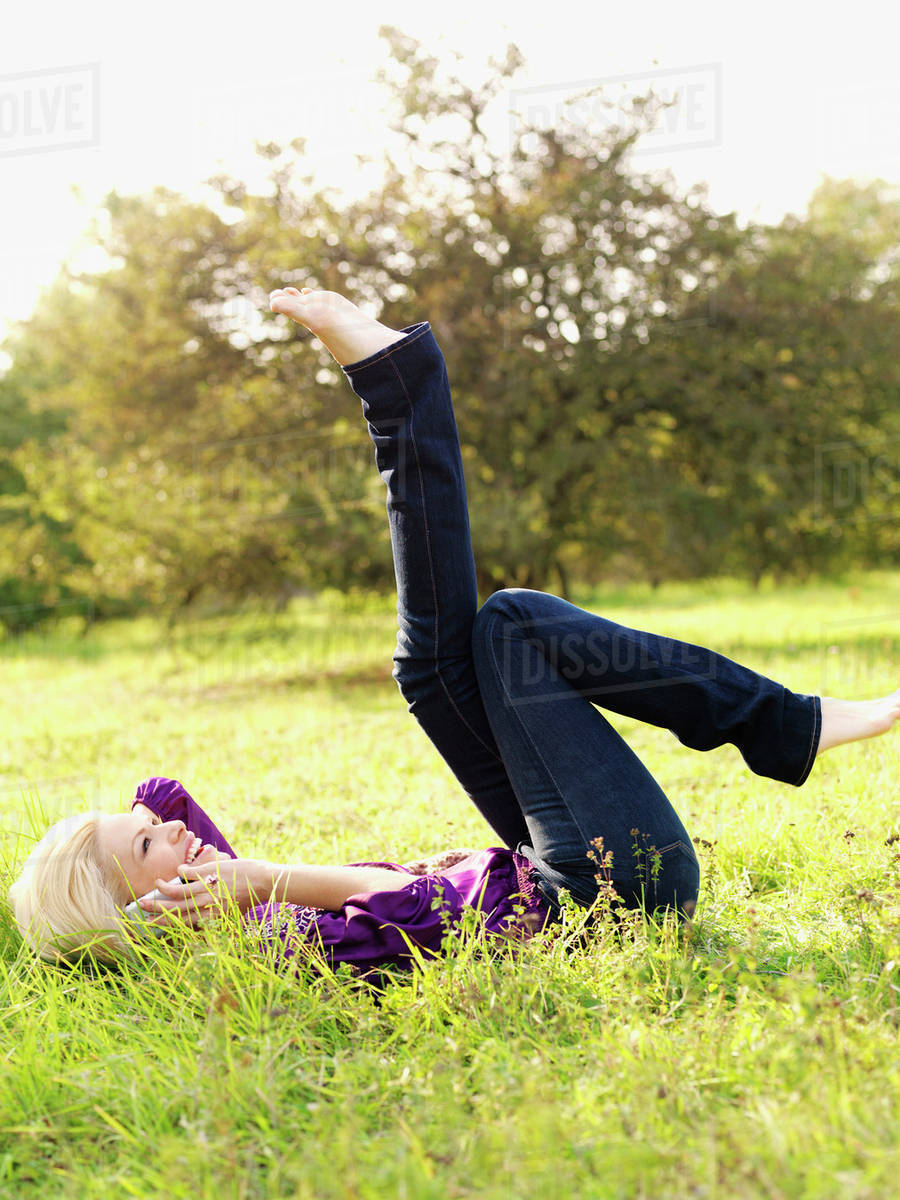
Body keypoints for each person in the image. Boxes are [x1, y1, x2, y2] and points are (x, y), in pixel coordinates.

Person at [9, 286, 900, 975]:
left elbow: (159, 794)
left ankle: (396, 385)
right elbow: (411, 905)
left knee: (431, 668)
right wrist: (256, 883)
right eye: (147, 845)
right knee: (510, 623)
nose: (163, 827)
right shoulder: (272, 946)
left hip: (550, 867)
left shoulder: (219, 896)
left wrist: (135, 850)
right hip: (610, 895)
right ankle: (787, 724)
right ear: (146, 909)